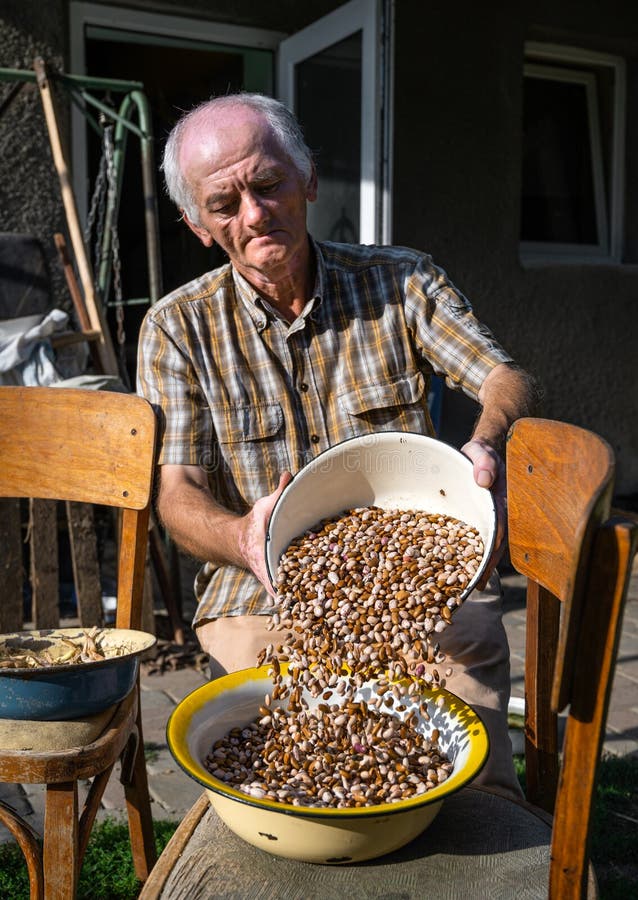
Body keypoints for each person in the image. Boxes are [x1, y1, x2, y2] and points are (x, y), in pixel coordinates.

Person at [137, 92, 540, 800]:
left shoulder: (401, 280)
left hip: (415, 557)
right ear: (198, 226)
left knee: (468, 641)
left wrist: (485, 441)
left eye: (268, 185)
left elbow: (503, 376)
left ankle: (487, 829)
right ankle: (318, 832)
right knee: (284, 704)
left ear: (309, 179)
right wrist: (239, 538)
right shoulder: (176, 328)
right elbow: (176, 495)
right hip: (252, 579)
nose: (255, 215)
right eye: (225, 205)